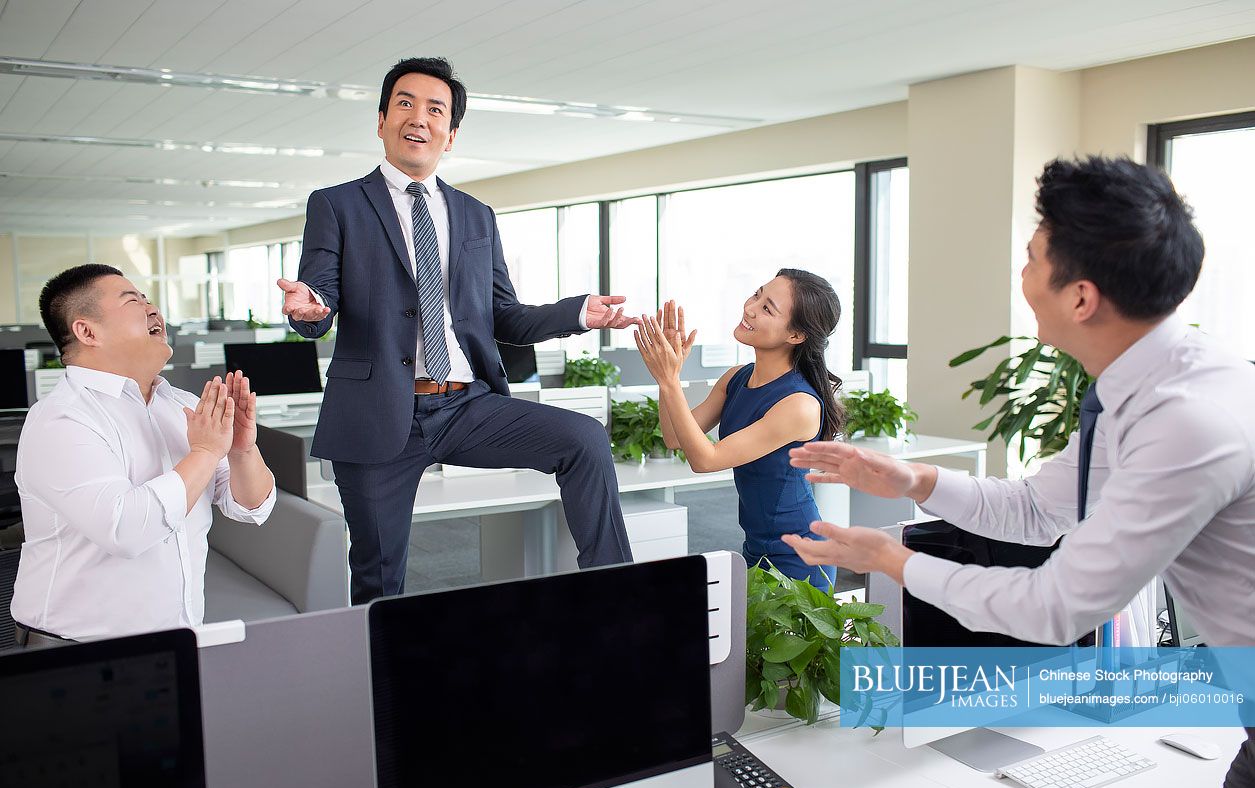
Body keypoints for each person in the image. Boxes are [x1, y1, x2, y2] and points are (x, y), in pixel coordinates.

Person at [784, 157, 1255, 788]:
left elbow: (1057, 606)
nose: (1023, 274)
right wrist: (910, 481)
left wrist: (892, 560)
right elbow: (1040, 510)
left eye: (1032, 257)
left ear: (1081, 297)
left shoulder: (1186, 419)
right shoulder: (1155, 382)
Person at [277, 57, 638, 604]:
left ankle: (621, 599)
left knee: (584, 438)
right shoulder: (337, 205)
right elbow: (319, 296)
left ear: (451, 134)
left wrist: (576, 313)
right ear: (381, 121)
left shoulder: (475, 215)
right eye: (404, 103)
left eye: (435, 109)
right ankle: (380, 680)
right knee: (378, 577)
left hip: (466, 406)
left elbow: (504, 317)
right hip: (377, 411)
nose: (418, 118)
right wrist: (312, 309)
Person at [10, 264, 276, 647]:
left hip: (180, 639)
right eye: (133, 300)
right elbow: (126, 530)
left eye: (149, 299)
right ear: (87, 331)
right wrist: (204, 451)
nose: (154, 310)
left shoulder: (181, 405)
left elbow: (252, 508)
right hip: (78, 652)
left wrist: (240, 450)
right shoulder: (61, 419)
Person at [634, 270, 845, 588]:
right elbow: (675, 437)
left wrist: (670, 379)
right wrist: (667, 381)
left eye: (767, 308)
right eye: (757, 294)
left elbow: (705, 460)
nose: (750, 307)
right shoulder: (735, 378)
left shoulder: (799, 405)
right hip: (756, 551)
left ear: (796, 335)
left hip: (801, 560)